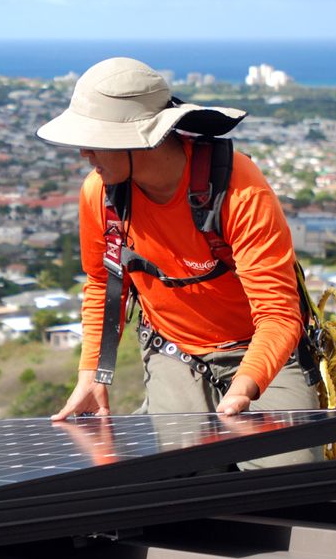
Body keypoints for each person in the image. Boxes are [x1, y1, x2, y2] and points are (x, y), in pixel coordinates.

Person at [37, 57, 319, 467]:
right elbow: (103, 284)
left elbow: (278, 313)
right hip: (174, 348)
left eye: (95, 142)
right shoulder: (100, 195)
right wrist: (92, 375)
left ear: (138, 139)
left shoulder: (238, 189)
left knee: (286, 471)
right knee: (180, 472)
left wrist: (245, 386)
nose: (84, 154)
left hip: (258, 349)